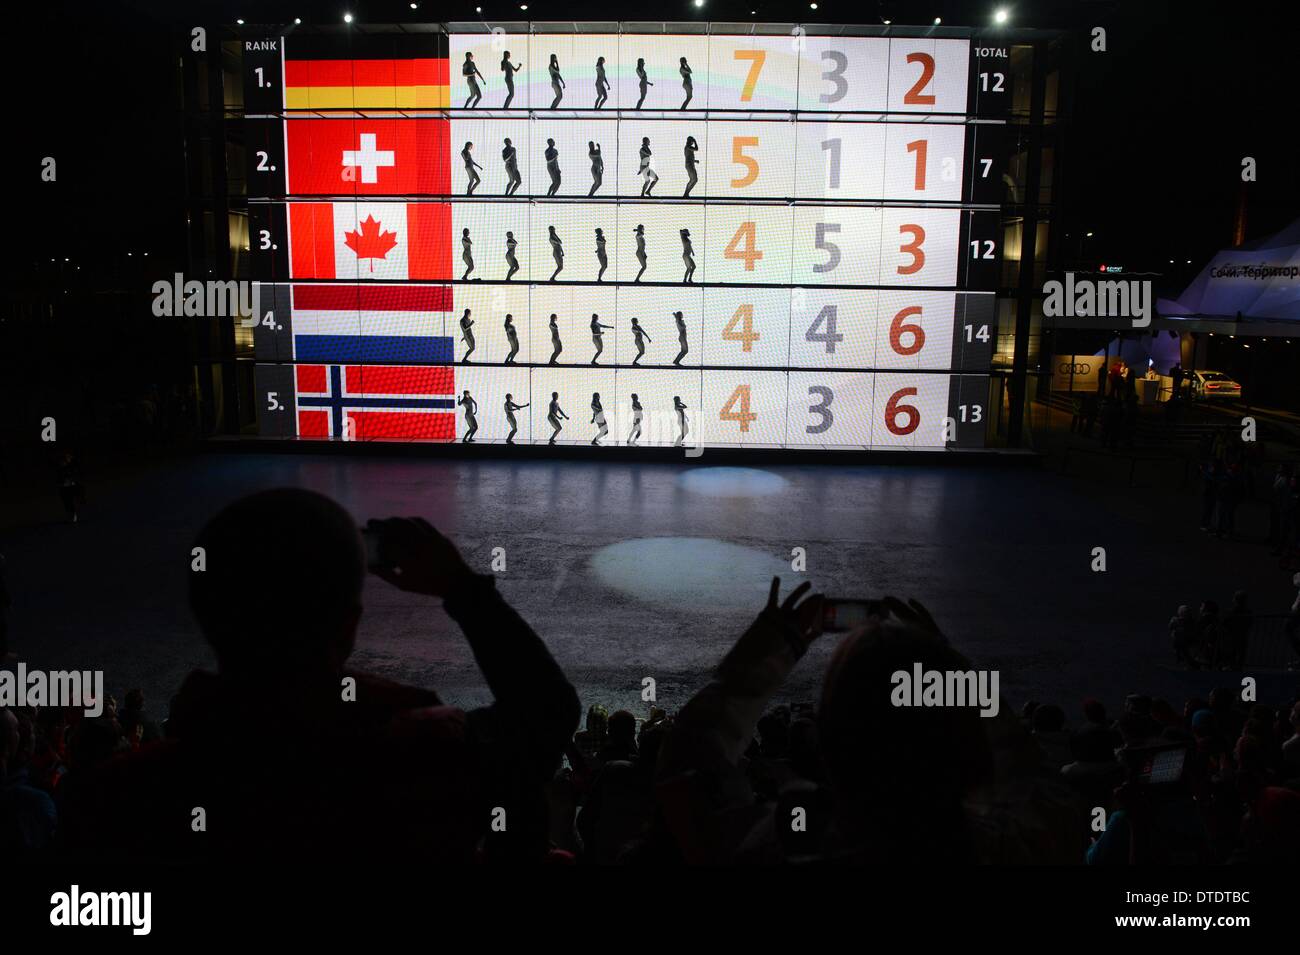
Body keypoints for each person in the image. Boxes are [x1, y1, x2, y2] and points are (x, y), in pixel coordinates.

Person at [57, 490, 581, 862]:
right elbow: (547, 713)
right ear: (349, 624)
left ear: (207, 612)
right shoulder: (427, 757)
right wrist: (462, 589)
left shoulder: (117, 801)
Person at [1222, 591, 1253, 670]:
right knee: (1241, 654)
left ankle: (1232, 669)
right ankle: (1238, 669)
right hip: (1242, 635)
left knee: (1232, 653)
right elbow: (1250, 623)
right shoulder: (1248, 612)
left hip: (1232, 636)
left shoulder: (1232, 611)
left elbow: (1225, 622)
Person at [57, 451, 83, 523]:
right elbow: (58, 477)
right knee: (67, 502)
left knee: (72, 501)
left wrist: (73, 481)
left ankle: (73, 514)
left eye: (69, 457)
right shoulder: (60, 467)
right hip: (63, 487)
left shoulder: (73, 466)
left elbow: (76, 474)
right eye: (66, 457)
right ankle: (71, 514)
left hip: (71, 486)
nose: (68, 459)